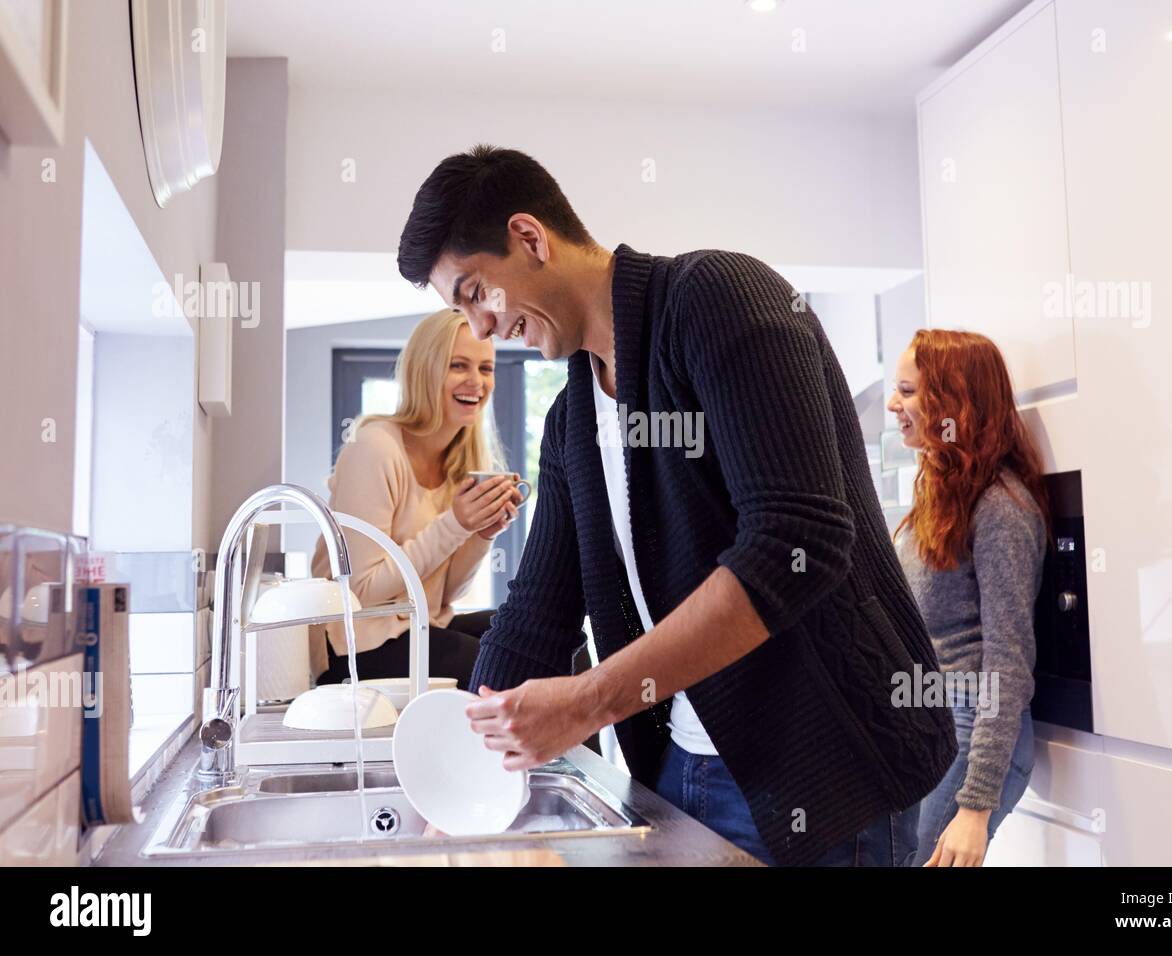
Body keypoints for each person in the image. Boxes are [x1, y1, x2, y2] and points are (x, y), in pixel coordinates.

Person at [396, 145, 956, 867]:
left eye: (473, 293)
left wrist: (591, 700)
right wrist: (457, 777)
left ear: (530, 238)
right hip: (676, 771)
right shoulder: (570, 420)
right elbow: (538, 609)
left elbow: (798, 542)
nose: (479, 328)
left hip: (816, 764)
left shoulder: (718, 298)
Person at [887, 329, 1049, 866]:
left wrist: (976, 806)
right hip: (930, 725)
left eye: (908, 392)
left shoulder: (1001, 509)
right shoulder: (935, 501)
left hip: (971, 732)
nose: (894, 404)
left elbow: (1008, 661)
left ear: (952, 401)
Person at [310, 308, 523, 688]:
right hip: (353, 643)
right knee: (489, 662)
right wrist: (455, 524)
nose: (476, 382)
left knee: (548, 637)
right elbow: (361, 591)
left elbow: (445, 596)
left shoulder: (462, 462)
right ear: (425, 371)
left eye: (486, 368)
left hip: (419, 623)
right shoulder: (373, 447)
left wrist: (481, 533)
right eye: (459, 365)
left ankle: (571, 750)